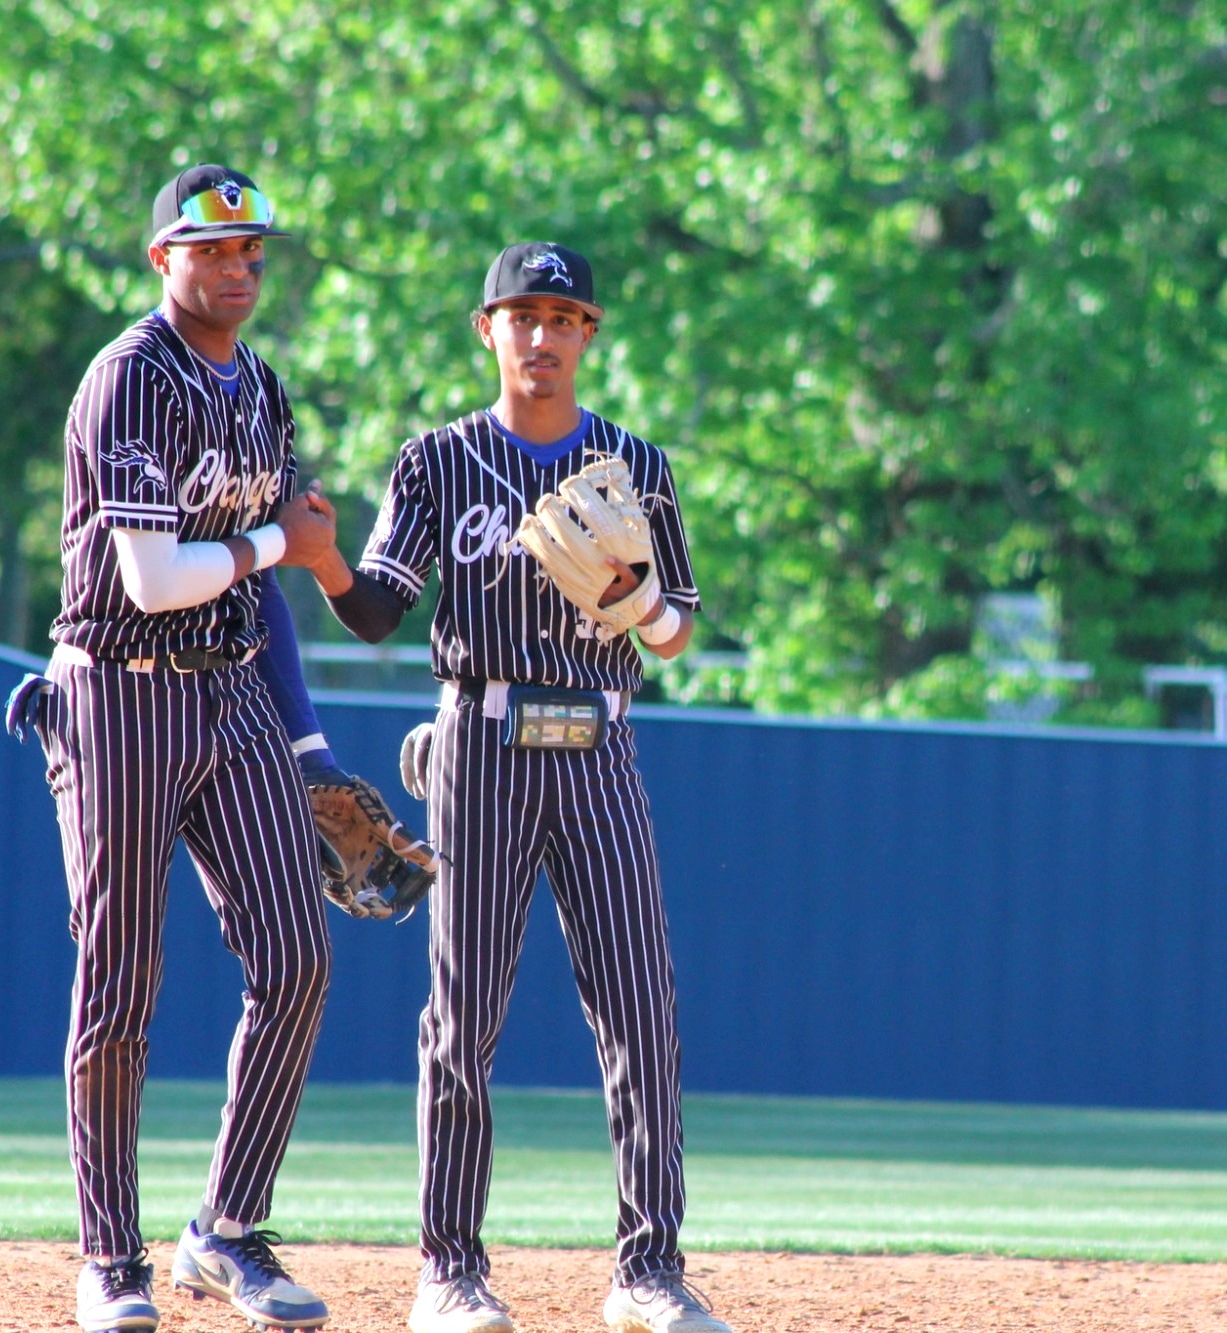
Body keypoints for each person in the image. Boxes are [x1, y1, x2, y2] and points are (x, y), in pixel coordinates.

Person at [297, 242, 734, 1333]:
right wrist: (321, 562)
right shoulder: (436, 461)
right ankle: (446, 1273)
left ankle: (648, 1272)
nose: (541, 335)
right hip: (481, 746)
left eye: (563, 316)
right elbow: (379, 609)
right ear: (485, 328)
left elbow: (679, 633)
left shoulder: (637, 464)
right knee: (463, 1019)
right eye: (521, 314)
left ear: (588, 334)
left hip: (599, 747)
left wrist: (633, 607)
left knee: (641, 1008)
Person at [14, 163, 341, 1333]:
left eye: (253, 250)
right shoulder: (126, 382)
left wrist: (307, 749)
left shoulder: (259, 386)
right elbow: (153, 583)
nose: (240, 269)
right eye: (214, 251)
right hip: (120, 693)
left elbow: (269, 592)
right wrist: (276, 544)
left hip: (233, 692)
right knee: (122, 979)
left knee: (299, 956)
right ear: (165, 259)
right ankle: (112, 1258)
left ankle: (226, 1231)